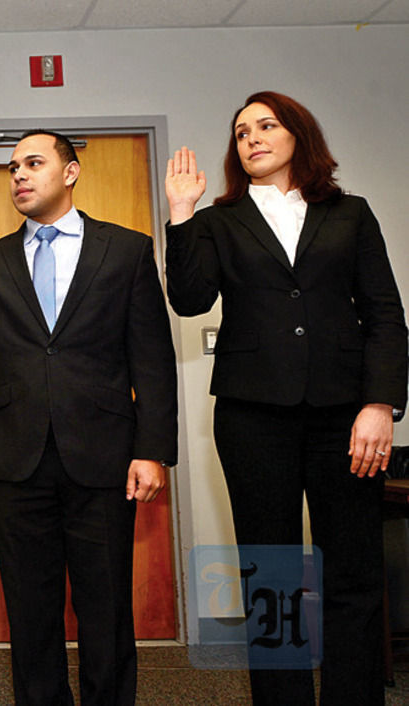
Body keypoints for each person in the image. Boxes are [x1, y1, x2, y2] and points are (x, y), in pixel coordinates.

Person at [0, 130, 178, 706]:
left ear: (71, 172)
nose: (19, 176)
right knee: (30, 611)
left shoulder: (127, 250)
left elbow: (153, 359)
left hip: (106, 457)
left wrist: (152, 449)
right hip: (17, 460)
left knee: (106, 606)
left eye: (33, 163)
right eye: (12, 168)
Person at [165, 91, 407, 705]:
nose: (251, 138)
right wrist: (180, 215)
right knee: (271, 576)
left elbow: (384, 314)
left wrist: (380, 404)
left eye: (265, 126)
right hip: (252, 418)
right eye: (241, 131)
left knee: (352, 572)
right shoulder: (218, 220)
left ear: (298, 134)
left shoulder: (350, 213)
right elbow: (190, 300)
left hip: (346, 417)